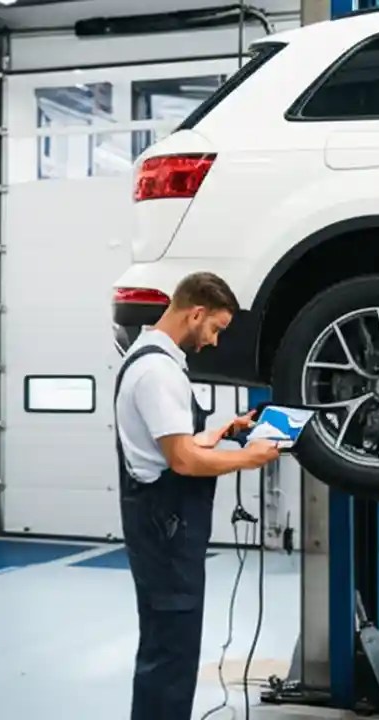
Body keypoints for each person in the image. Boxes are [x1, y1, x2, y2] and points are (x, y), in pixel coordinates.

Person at [113, 271, 282, 720]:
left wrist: (222, 431)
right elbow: (183, 460)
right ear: (196, 313)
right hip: (165, 533)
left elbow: (173, 446)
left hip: (165, 528)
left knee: (171, 647)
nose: (212, 341)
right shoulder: (156, 371)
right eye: (215, 329)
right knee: (169, 655)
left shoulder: (152, 360)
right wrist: (250, 459)